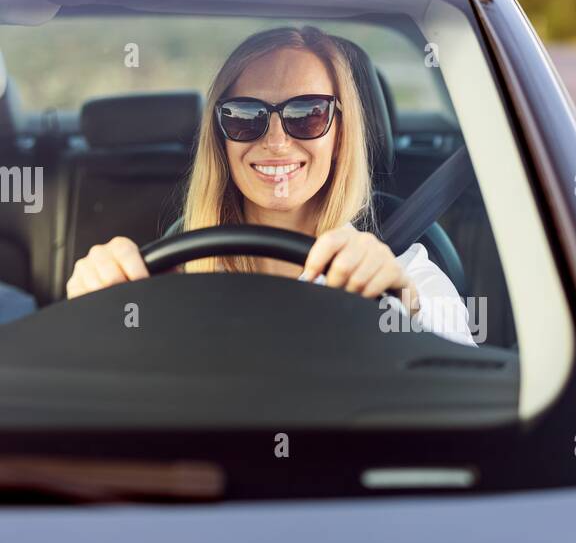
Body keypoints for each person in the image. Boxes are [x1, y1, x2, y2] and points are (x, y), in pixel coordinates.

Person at [65, 26, 474, 345]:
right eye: (246, 116)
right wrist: (90, 313)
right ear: (221, 137)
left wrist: (403, 309)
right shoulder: (165, 284)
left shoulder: (408, 275)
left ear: (340, 135)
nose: (277, 141)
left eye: (308, 114)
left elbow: (465, 413)